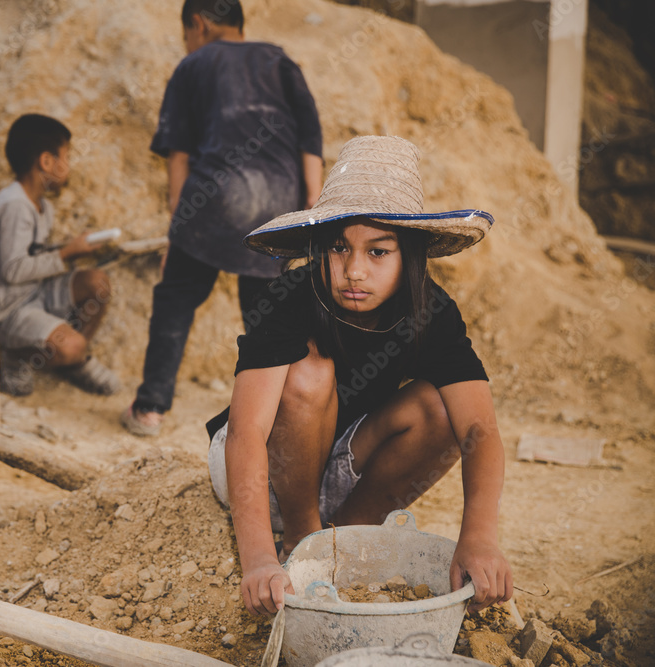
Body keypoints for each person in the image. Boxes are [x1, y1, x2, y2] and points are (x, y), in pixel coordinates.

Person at [205, 135, 513, 616]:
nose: (353, 271)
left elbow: (480, 429)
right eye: (337, 248)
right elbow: (247, 433)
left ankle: (342, 540)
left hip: (342, 465)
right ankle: (302, 540)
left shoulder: (432, 312)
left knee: (440, 406)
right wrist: (258, 558)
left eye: (377, 252)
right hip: (261, 469)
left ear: (409, 254)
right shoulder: (292, 297)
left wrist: (478, 537)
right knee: (309, 374)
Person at [121, 0, 324, 436]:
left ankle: (150, 409)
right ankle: (281, 416)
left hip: (213, 202)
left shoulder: (193, 64)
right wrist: (311, 212)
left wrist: (179, 226)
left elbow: (180, 155)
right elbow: (310, 142)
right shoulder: (279, 60)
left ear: (198, 24)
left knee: (176, 299)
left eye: (185, 36)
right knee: (266, 317)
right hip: (275, 206)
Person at [0, 114, 120, 396]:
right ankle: (17, 357)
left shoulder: (42, 206)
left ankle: (69, 361)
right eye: (66, 157)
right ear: (46, 162)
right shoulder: (15, 205)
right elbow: (12, 270)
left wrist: (72, 251)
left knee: (96, 284)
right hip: (11, 308)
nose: (68, 166)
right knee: (71, 345)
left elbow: (32, 256)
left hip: (36, 293)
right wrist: (65, 253)